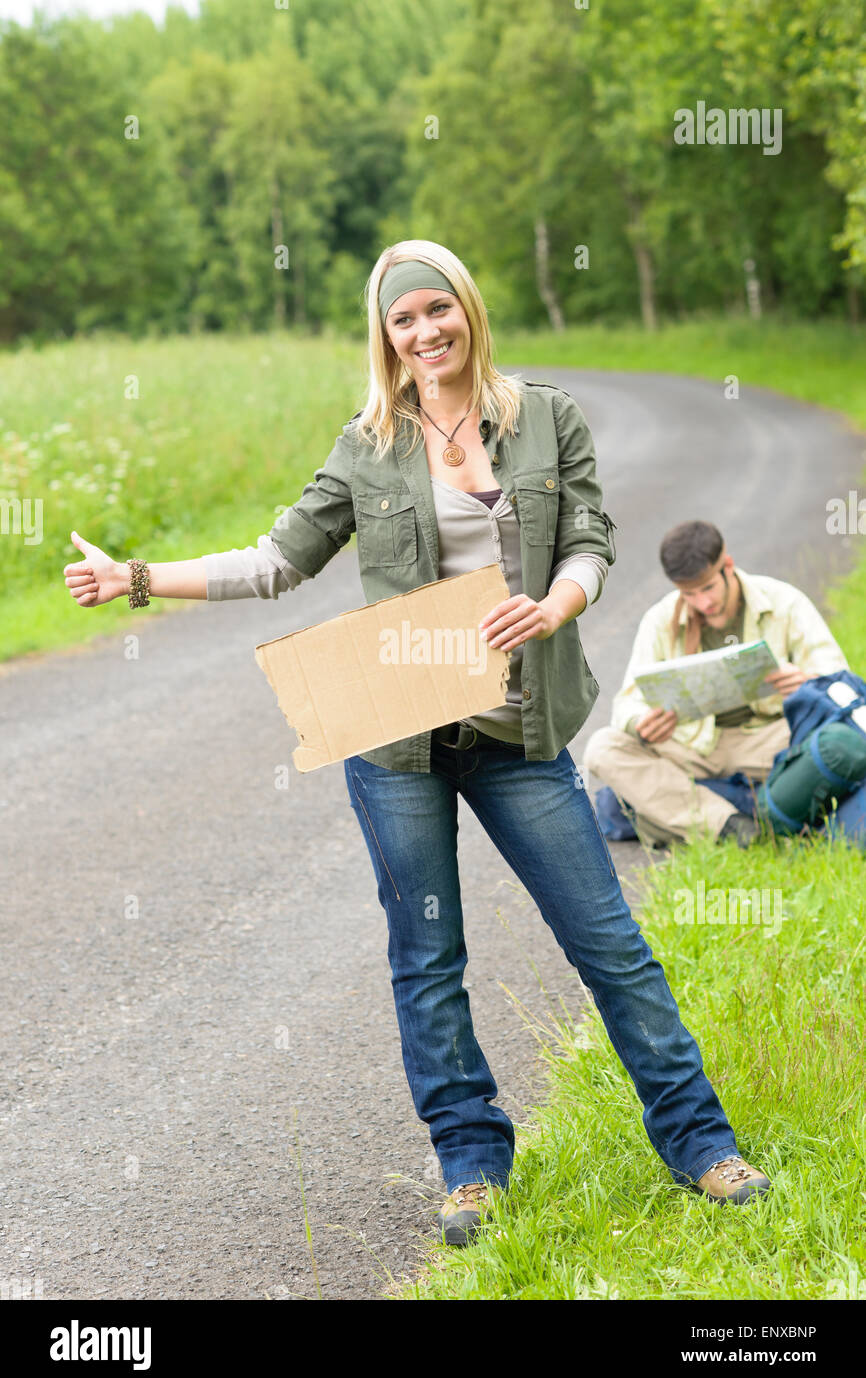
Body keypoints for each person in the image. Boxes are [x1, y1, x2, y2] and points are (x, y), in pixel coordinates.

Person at [63, 239, 772, 1246]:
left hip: (517, 731)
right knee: (426, 955)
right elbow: (274, 562)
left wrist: (553, 603)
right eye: (403, 319)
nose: (424, 331)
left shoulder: (545, 417)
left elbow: (591, 541)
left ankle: (701, 1144)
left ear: (467, 312)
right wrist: (136, 576)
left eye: (437, 310)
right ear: (384, 335)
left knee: (605, 942)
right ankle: (471, 1163)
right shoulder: (366, 444)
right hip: (395, 735)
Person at [585, 521, 848, 849]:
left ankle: (671, 811)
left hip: (771, 739)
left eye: (708, 588)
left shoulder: (784, 601)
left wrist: (807, 682)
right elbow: (627, 703)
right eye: (689, 594)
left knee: (839, 743)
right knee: (603, 748)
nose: (702, 603)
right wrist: (642, 723)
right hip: (694, 743)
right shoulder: (660, 619)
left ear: (728, 566)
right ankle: (730, 826)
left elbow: (839, 679)